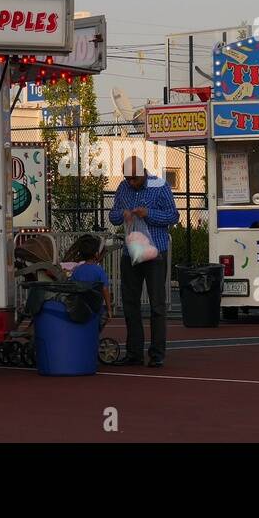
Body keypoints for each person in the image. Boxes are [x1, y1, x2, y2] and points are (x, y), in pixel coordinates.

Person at [108, 156, 180, 368]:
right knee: (130, 304)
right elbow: (112, 216)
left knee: (157, 305)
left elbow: (173, 216)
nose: (131, 182)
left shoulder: (160, 186)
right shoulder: (122, 188)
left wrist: (149, 214)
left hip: (156, 250)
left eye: (134, 179)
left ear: (143, 173)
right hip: (131, 252)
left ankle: (157, 354)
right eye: (127, 178)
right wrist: (121, 215)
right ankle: (134, 353)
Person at [69, 235, 114, 321]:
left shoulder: (76, 271)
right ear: (96, 254)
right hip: (95, 308)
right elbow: (105, 290)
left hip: (80, 307)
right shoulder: (99, 270)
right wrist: (109, 309)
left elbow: (72, 289)